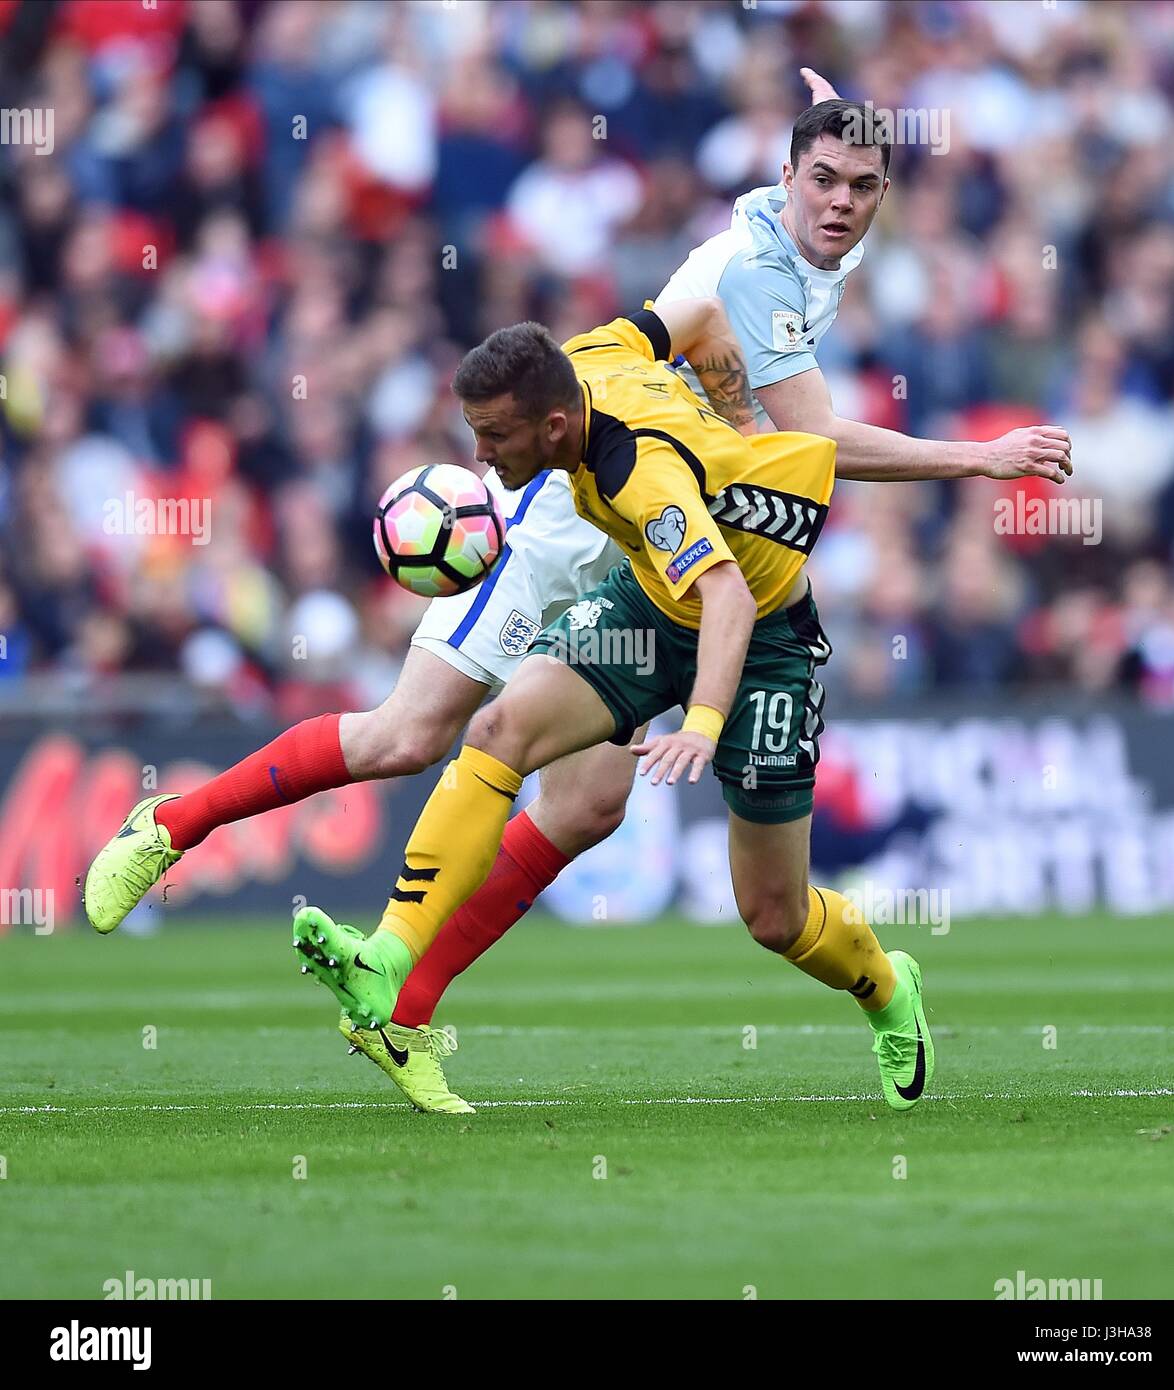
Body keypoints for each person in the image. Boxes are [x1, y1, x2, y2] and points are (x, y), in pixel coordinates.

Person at [292, 294, 938, 1111]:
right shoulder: (591, 356)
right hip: (649, 606)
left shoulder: (640, 474)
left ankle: (887, 988)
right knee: (498, 728)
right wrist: (735, 417)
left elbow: (730, 600)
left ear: (554, 427)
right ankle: (389, 957)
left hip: (765, 639)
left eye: (493, 435)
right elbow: (701, 309)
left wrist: (701, 724)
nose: (480, 455)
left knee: (774, 915)